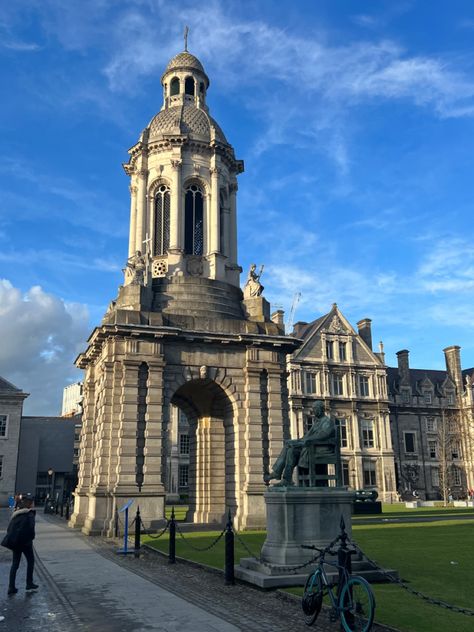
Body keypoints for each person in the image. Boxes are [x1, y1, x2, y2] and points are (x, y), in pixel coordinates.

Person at [264, 400, 336, 486]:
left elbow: (323, 435)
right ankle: (284, 477)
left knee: (292, 449)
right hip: (311, 446)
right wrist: (297, 441)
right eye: (313, 409)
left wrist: (305, 441)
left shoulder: (327, 421)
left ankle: (279, 474)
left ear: (321, 409)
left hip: (321, 448)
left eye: (315, 409)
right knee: (289, 446)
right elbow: (307, 437)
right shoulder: (317, 422)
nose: (314, 411)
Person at [1, 493, 38, 595]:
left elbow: (9, 528)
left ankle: (11, 587)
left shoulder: (16, 513)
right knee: (30, 561)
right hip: (26, 543)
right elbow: (31, 530)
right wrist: (31, 538)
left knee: (15, 564)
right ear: (30, 504)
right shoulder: (29, 514)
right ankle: (29, 583)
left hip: (15, 542)